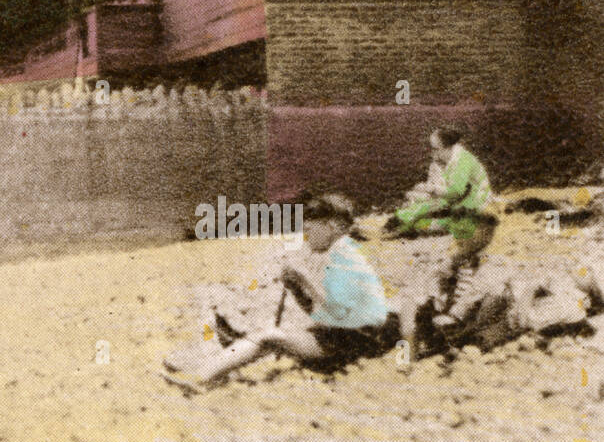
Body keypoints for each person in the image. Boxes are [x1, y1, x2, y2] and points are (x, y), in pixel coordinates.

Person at [161, 193, 389, 391]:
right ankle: (212, 367)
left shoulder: (347, 259)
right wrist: (297, 288)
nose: (307, 237)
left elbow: (340, 313)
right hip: (337, 337)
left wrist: (305, 280)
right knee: (268, 337)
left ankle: (202, 377)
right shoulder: (338, 254)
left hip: (348, 343)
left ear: (330, 227)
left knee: (268, 336)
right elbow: (320, 310)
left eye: (310, 230)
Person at [392, 126, 493, 242]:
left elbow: (455, 192)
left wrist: (430, 189)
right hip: (463, 203)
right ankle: (408, 221)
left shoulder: (462, 160)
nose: (433, 152)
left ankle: (411, 223)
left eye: (435, 148)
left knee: (429, 221)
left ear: (448, 147)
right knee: (422, 210)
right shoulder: (451, 161)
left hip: (476, 206)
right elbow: (449, 192)